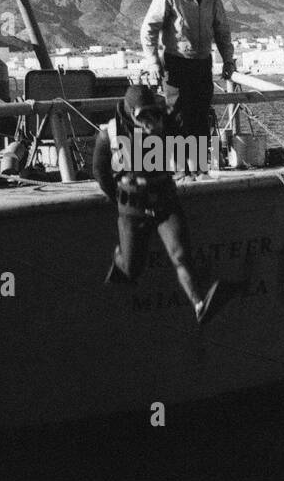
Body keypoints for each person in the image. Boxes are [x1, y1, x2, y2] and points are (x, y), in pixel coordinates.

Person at [93, 85, 221, 324]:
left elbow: (190, 141)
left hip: (164, 201)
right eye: (143, 116)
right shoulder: (109, 134)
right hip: (131, 207)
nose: (149, 121)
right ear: (130, 113)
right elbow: (100, 172)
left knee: (180, 254)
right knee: (132, 269)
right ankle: (119, 259)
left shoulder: (166, 125)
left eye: (153, 113)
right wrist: (118, 197)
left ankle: (199, 304)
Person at [140, 0, 236, 163]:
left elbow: (222, 30)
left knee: (201, 118)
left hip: (202, 64)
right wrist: (153, 61)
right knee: (178, 118)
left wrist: (228, 59)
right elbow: (149, 29)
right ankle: (179, 169)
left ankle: (198, 168)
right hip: (176, 64)